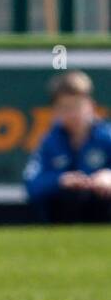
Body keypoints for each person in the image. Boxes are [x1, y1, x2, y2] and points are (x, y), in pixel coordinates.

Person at [24, 70, 111, 223]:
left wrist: (107, 177)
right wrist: (61, 180)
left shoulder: (107, 137)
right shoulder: (50, 141)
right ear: (56, 111)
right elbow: (32, 184)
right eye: (65, 108)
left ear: (91, 105)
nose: (72, 114)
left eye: (77, 106)